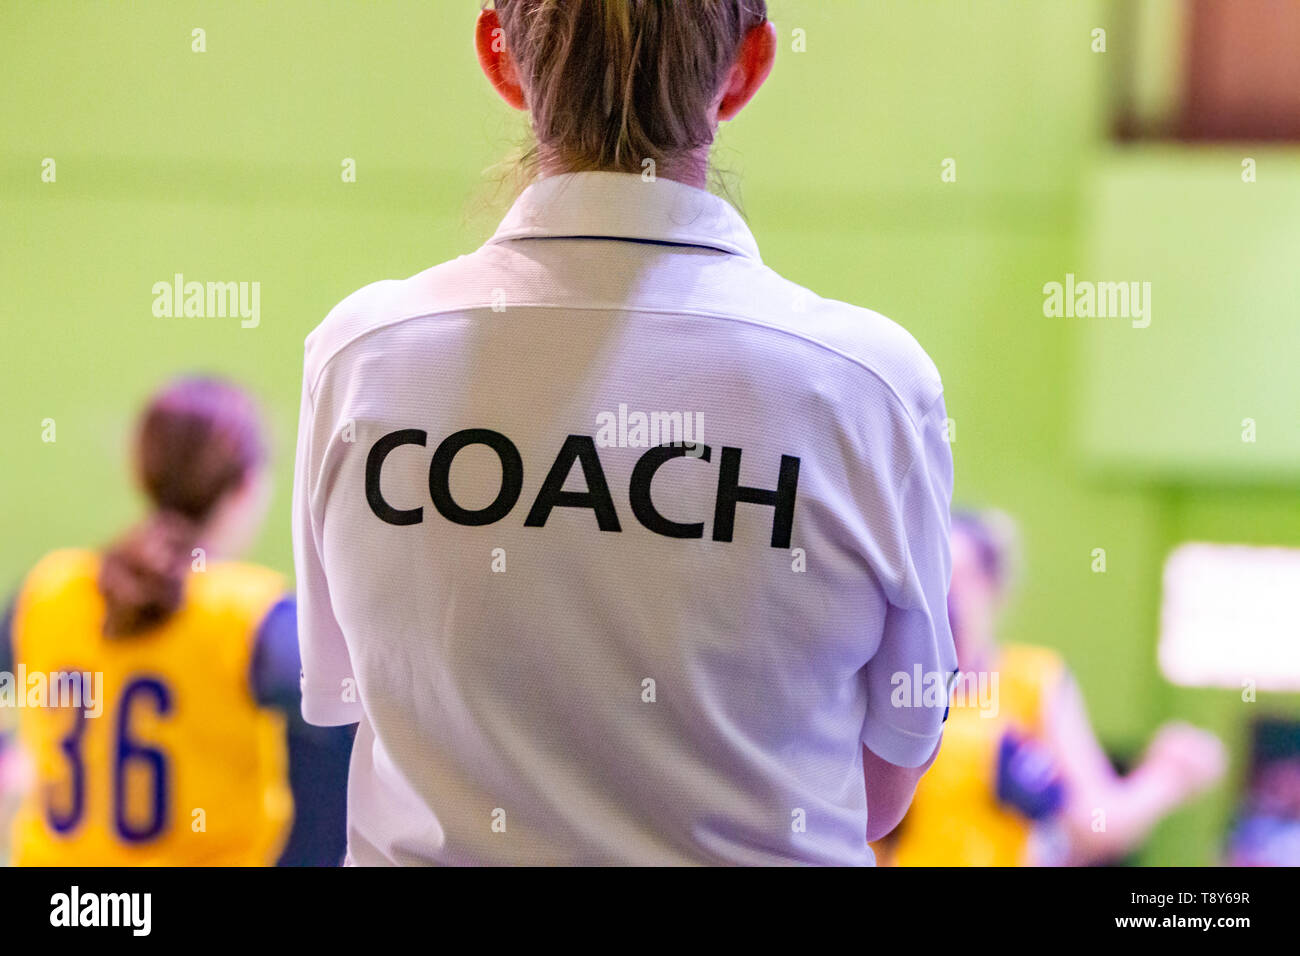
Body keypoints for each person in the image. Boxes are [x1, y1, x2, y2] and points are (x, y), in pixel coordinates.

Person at [293, 0, 955, 865]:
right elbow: (882, 785)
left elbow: (351, 697)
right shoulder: (867, 385)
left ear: (499, 55)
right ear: (748, 68)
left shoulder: (362, 354)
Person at [0, 377, 349, 865]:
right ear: (246, 486)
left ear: (141, 470)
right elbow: (369, 705)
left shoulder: (47, 590)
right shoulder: (250, 618)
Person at [883, 510, 1226, 866]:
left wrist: (1166, 775)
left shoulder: (1032, 680)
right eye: (933, 577)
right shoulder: (889, 682)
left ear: (993, 586)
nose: (949, 596)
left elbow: (1094, 823)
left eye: (963, 576)